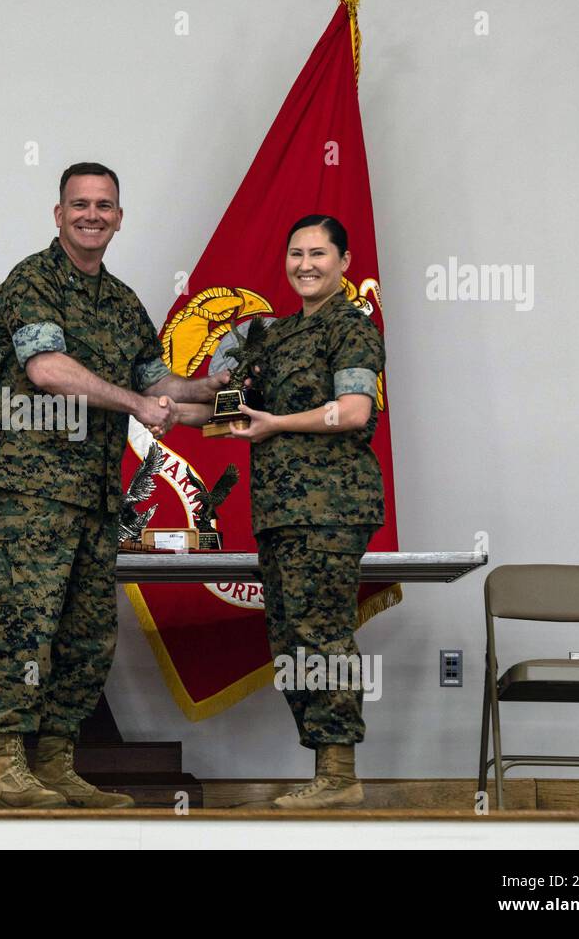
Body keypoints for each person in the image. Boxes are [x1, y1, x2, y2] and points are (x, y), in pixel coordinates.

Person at [0, 162, 227, 809]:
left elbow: (159, 384)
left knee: (88, 635)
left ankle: (56, 763)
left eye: (105, 205)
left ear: (120, 217)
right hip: (35, 490)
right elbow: (48, 369)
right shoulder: (31, 282)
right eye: (79, 204)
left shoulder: (121, 302)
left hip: (95, 495)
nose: (92, 215)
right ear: (57, 214)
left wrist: (205, 391)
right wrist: (137, 405)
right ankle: (6, 768)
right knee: (26, 625)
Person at [228, 214, 385, 809]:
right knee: (291, 641)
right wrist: (155, 406)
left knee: (322, 635)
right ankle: (326, 770)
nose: (306, 265)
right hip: (281, 511)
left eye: (319, 254)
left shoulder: (352, 328)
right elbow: (236, 412)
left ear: (344, 263)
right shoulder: (275, 335)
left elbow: (350, 412)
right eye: (296, 253)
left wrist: (275, 424)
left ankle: (340, 775)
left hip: (331, 507)